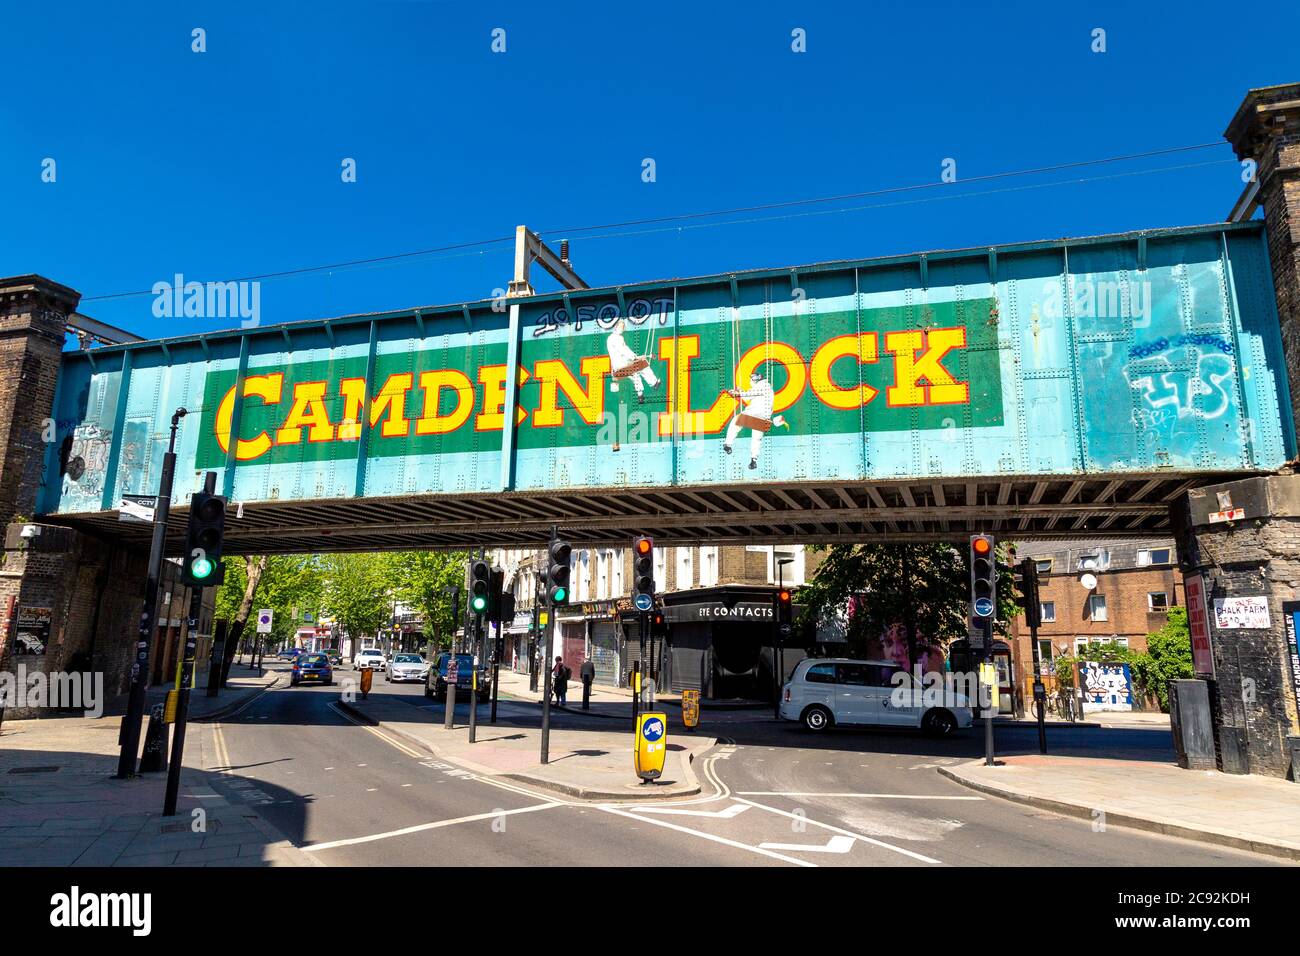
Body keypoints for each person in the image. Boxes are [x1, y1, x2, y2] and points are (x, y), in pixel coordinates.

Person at [723, 369, 787, 469]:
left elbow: (748, 395)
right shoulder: (768, 388)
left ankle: (728, 444)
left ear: (756, 379)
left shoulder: (762, 385)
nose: (751, 381)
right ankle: (754, 460)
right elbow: (749, 396)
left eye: (752, 379)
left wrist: (737, 393)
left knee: (735, 422)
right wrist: (740, 392)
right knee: (756, 438)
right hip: (763, 417)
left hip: (753, 413)